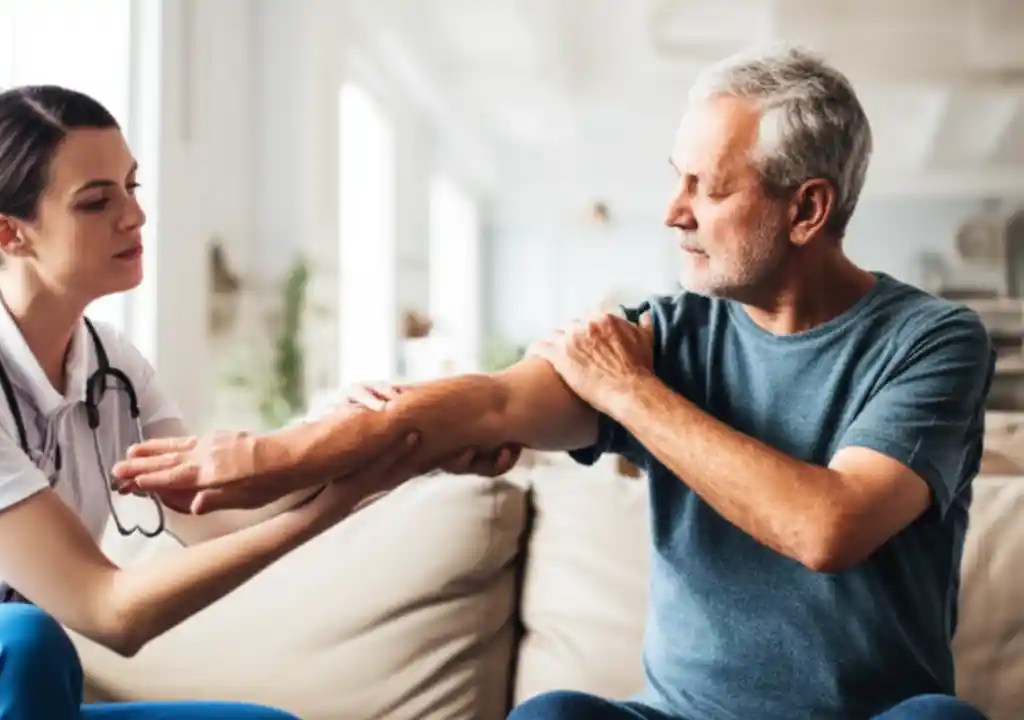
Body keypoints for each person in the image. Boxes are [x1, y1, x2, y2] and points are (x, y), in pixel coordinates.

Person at [113, 46, 994, 719]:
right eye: (676, 178)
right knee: (553, 715)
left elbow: (827, 526)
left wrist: (632, 395)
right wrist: (275, 454)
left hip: (874, 716)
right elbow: (492, 403)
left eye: (708, 188)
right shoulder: (666, 333)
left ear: (807, 209)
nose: (673, 211)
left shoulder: (931, 341)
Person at [0, 85, 511, 720]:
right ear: (10, 234)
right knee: (17, 640)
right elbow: (108, 612)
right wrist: (332, 506)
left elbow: (213, 516)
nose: (135, 216)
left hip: (17, 698)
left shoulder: (111, 365)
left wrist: (369, 437)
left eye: (131, 187)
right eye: (97, 201)